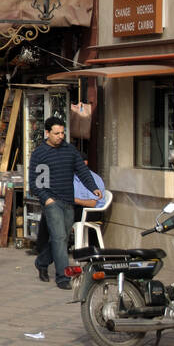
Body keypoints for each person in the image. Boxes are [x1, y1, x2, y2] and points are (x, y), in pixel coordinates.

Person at [30, 118, 101, 288]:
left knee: (61, 239)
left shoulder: (70, 150)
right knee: (60, 237)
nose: (60, 136)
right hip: (52, 201)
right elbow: (35, 182)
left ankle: (41, 261)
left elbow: (82, 170)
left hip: (68, 201)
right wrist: (46, 199)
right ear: (47, 133)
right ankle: (63, 277)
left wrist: (93, 188)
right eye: (56, 133)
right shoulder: (40, 153)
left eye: (62, 133)